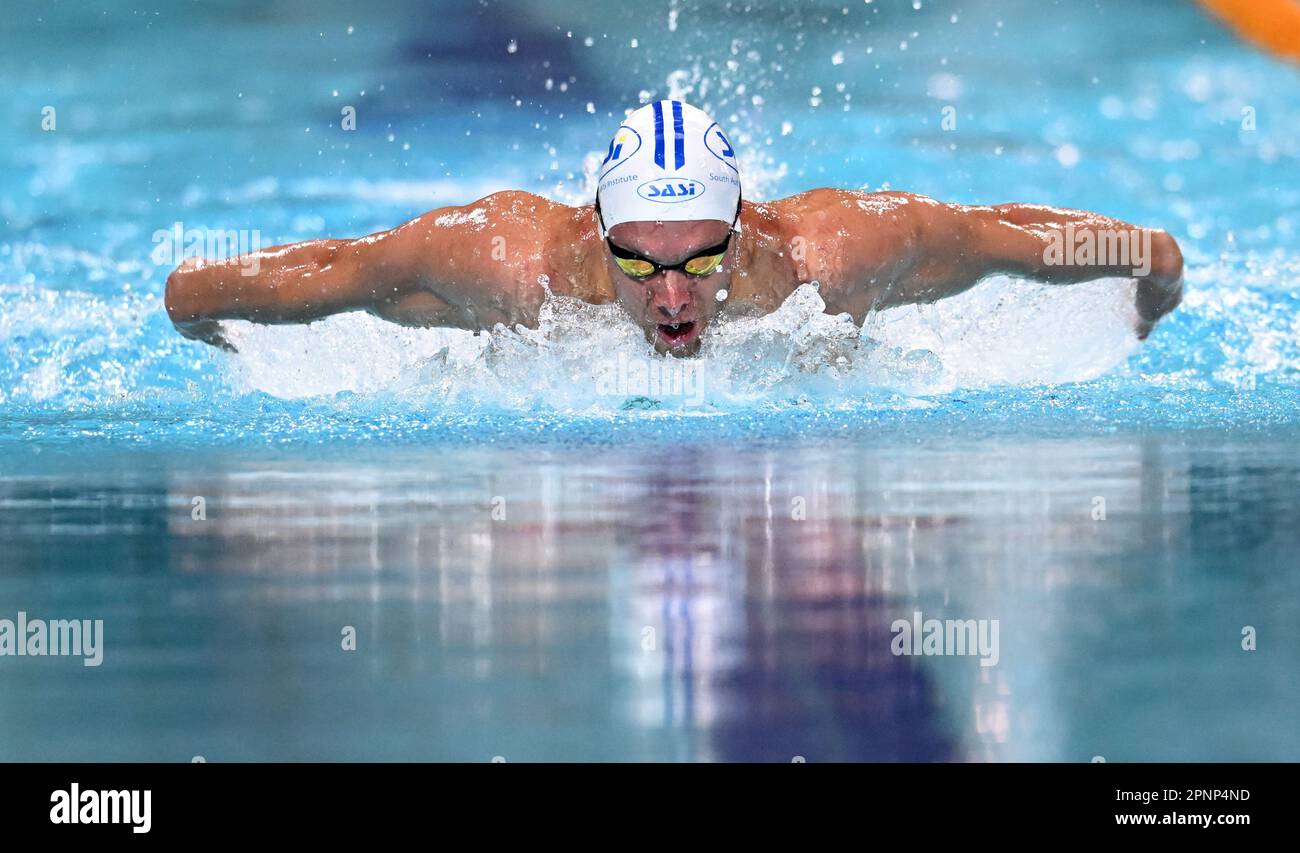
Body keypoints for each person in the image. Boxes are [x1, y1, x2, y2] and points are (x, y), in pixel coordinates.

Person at [166, 100, 1183, 357]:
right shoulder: (506, 267)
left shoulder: (834, 257)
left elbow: (1000, 230)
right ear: (592, 236)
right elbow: (327, 269)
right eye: (639, 264)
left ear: (743, 234)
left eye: (700, 259)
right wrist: (204, 313)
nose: (669, 296)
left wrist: (1148, 270)